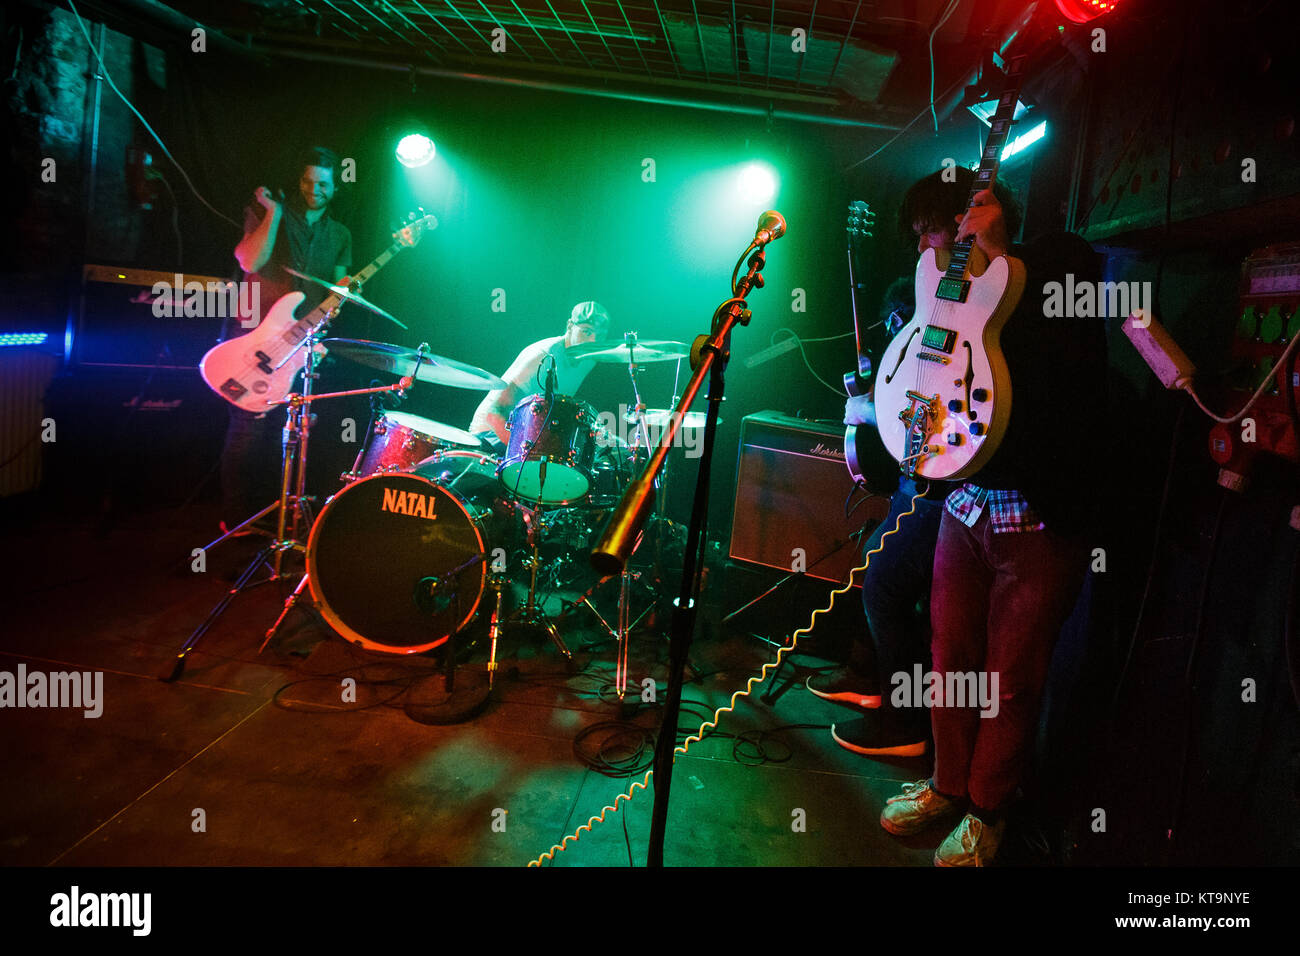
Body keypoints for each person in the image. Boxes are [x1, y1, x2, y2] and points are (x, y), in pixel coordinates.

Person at [832, 167, 1106, 866]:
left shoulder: (1052, 276)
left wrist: (1006, 256)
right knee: (950, 659)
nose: (932, 246)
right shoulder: (940, 306)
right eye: (926, 237)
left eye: (940, 230)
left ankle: (989, 812)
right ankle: (947, 784)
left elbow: (1073, 383)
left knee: (1010, 678)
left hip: (1036, 521)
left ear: (975, 218)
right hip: (965, 507)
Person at [219, 146, 353, 531]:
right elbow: (249, 261)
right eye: (309, 181)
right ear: (300, 181)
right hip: (255, 336)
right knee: (249, 427)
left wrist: (334, 310)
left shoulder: (340, 233)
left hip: (302, 342)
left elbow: (338, 289)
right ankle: (236, 520)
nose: (315, 189)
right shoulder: (267, 210)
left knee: (295, 428)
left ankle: (281, 522)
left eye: (323, 183)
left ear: (335, 187)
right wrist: (275, 213)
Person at [468, 301, 611, 449]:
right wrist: (529, 453)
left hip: (528, 435)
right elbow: (495, 414)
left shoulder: (589, 359)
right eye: (586, 331)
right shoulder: (544, 356)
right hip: (490, 435)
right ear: (570, 326)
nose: (593, 340)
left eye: (600, 335)